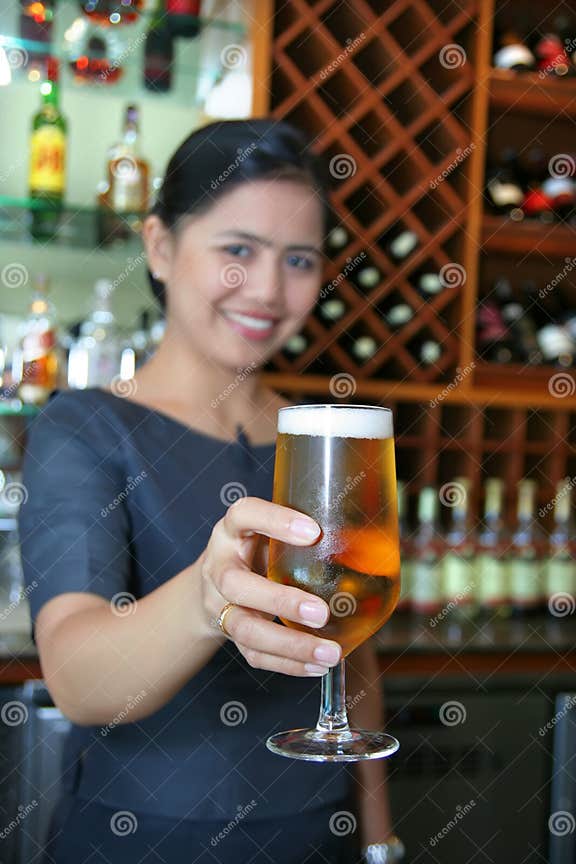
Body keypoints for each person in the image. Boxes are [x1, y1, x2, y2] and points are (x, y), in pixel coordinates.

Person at [19, 118, 402, 864]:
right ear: (160, 247)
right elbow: (76, 675)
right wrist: (206, 596)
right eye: (237, 251)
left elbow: (354, 655)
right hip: (143, 841)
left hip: (320, 837)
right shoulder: (85, 426)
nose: (267, 290)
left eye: (298, 259)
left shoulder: (322, 436)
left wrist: (382, 842)